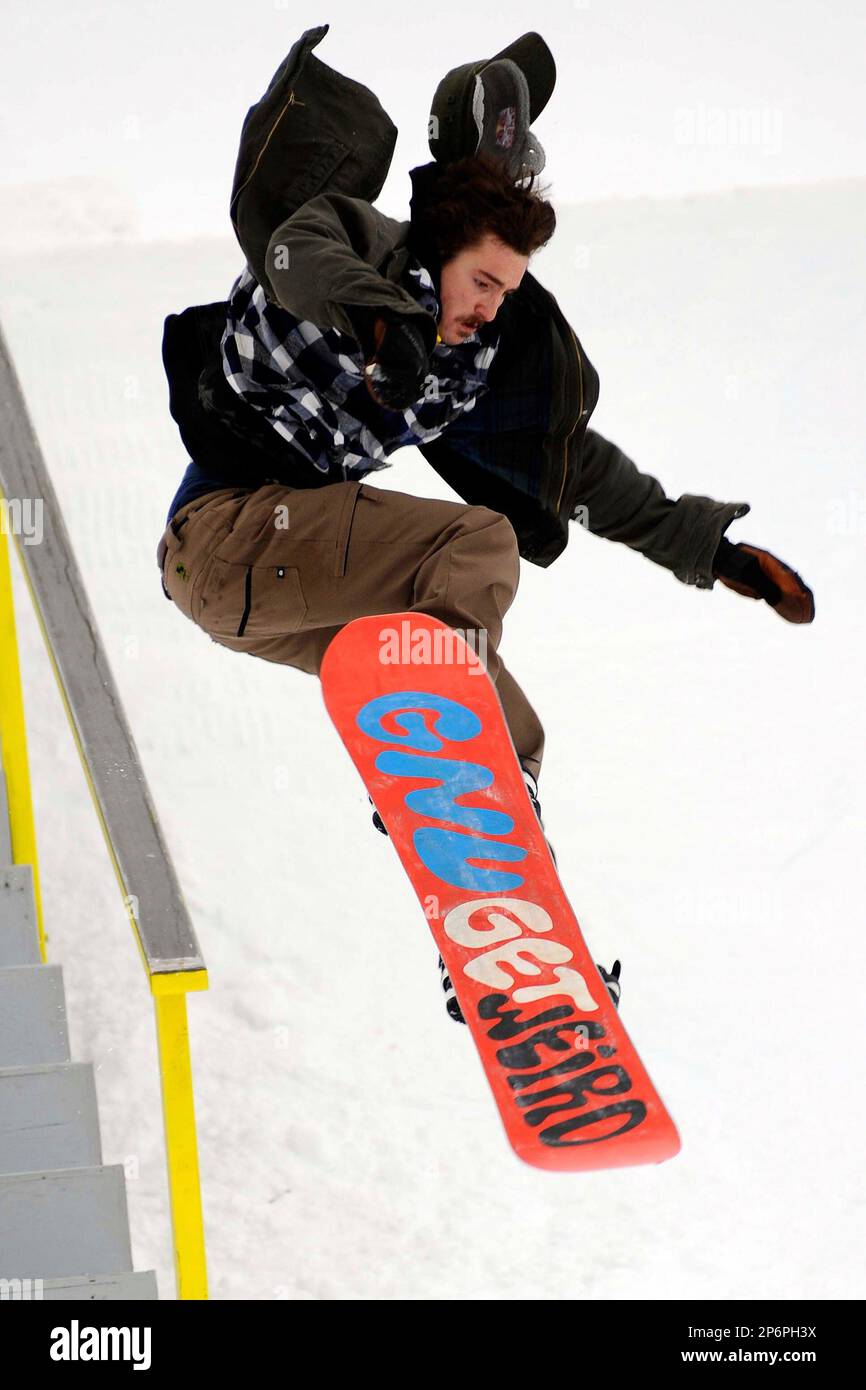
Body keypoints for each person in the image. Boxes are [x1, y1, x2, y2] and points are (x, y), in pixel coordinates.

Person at [156, 30, 813, 1024]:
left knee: (509, 733)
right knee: (473, 546)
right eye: (481, 285)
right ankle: (442, 751)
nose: (487, 310)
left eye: (506, 294)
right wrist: (382, 321)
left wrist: (703, 547)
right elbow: (295, 253)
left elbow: (574, 467)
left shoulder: (460, 364)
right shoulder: (349, 247)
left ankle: (499, 951)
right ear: (439, 253)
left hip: (269, 594)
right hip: (225, 533)